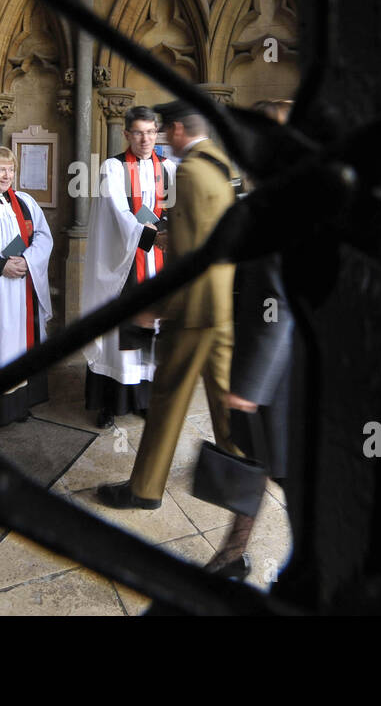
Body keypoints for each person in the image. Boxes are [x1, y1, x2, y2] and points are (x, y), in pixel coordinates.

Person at [98, 100, 241, 510]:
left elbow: (189, 258)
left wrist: (156, 306)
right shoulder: (220, 165)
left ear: (177, 129)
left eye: (161, 131)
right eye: (145, 131)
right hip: (220, 309)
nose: (157, 138)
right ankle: (244, 482)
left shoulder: (192, 173)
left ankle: (143, 490)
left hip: (193, 313)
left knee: (166, 403)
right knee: (225, 408)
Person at [204, 98, 296, 578]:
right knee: (260, 467)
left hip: (283, 380)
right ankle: (232, 555)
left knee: (286, 472)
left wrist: (249, 387)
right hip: (276, 373)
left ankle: (313, 572)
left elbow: (279, 302)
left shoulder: (284, 204)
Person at [81, 106, 178, 429]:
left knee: (151, 332)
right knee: (118, 334)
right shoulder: (113, 167)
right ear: (126, 134)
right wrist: (154, 234)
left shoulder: (168, 168)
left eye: (151, 132)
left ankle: (143, 399)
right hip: (123, 261)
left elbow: (176, 210)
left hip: (158, 262)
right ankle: (110, 403)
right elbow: (120, 213)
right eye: (138, 132)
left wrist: (171, 233)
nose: (145, 139)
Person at [0, 146, 54, 426]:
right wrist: (0, 266)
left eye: (10, 169)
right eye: (1, 169)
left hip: (22, 288)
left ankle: (19, 406)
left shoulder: (24, 202)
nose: (7, 175)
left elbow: (44, 237)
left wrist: (27, 260)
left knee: (21, 347)